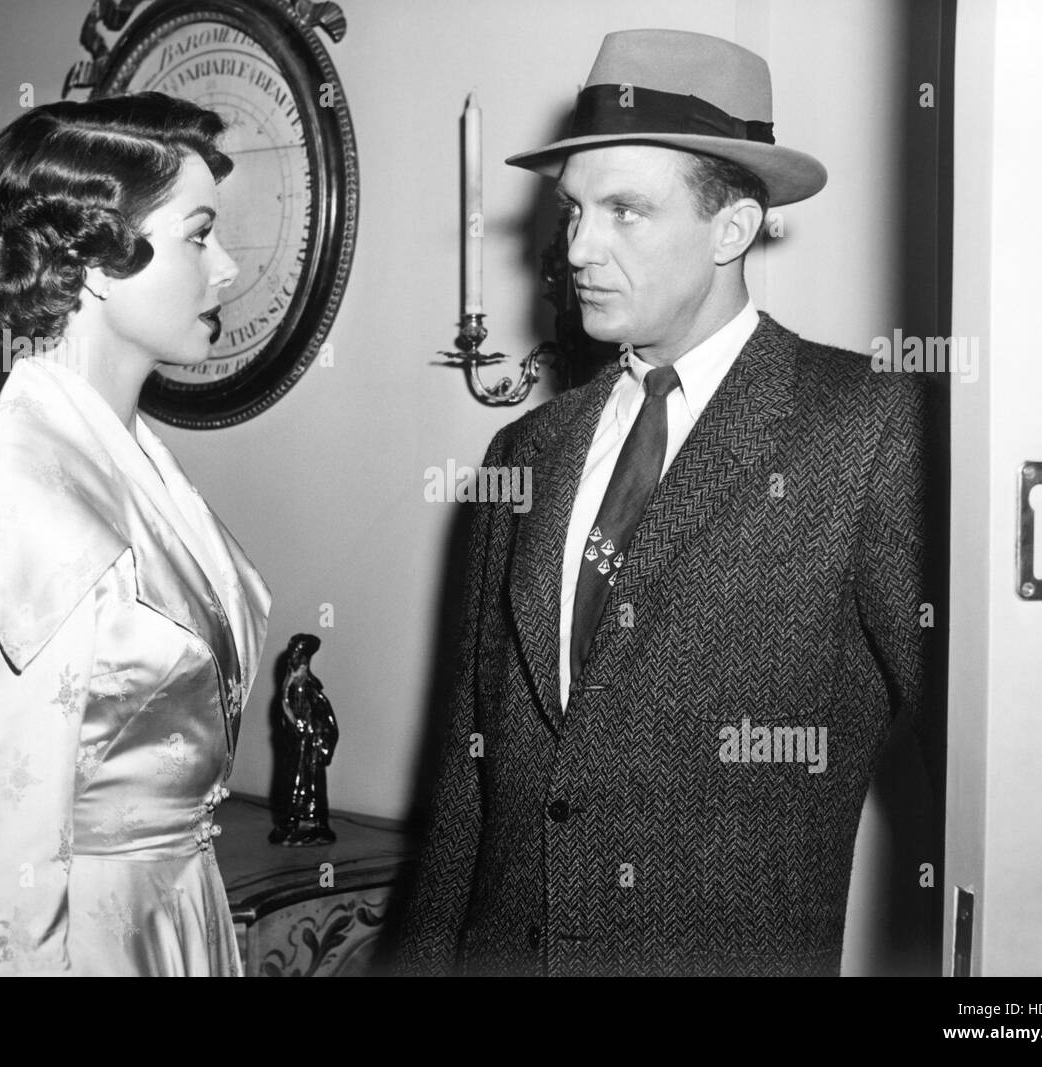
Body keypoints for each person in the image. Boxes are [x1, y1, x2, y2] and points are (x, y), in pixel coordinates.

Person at [396, 30, 932, 976]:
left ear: (731, 230)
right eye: (574, 210)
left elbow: (964, 767)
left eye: (626, 212)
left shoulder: (868, 427)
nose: (576, 248)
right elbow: (467, 788)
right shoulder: (524, 451)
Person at [0, 92, 272, 975]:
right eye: (199, 234)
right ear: (102, 260)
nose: (225, 267)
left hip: (173, 914)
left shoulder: (126, 459)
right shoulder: (21, 498)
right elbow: (4, 873)